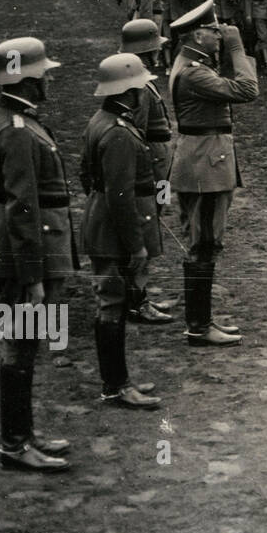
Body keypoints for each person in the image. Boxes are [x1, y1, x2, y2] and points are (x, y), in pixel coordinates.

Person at [0, 38, 74, 471]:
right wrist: (33, 276)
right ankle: (15, 444)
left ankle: (23, 435)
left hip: (20, 248)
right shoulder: (16, 129)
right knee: (19, 343)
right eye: (44, 73)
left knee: (26, 342)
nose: (49, 79)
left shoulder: (16, 119)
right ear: (29, 79)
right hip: (21, 254)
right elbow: (22, 206)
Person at [168, 0, 260, 346]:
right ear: (197, 35)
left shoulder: (191, 65)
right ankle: (199, 326)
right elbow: (248, 90)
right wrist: (237, 48)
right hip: (205, 166)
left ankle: (201, 322)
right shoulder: (194, 73)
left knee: (203, 242)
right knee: (204, 242)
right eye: (213, 30)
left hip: (204, 160)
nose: (219, 35)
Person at [79, 55, 166, 409]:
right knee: (112, 303)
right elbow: (120, 195)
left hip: (102, 222)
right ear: (129, 91)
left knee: (113, 301)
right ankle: (115, 386)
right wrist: (136, 245)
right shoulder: (118, 132)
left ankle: (117, 381)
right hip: (113, 230)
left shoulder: (102, 121)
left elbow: (86, 175)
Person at [118, 19, 174, 324]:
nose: (158, 52)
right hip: (150, 170)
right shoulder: (137, 83)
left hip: (158, 168)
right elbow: (136, 134)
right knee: (144, 232)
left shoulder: (139, 77)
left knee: (152, 226)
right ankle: (136, 300)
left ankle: (139, 295)